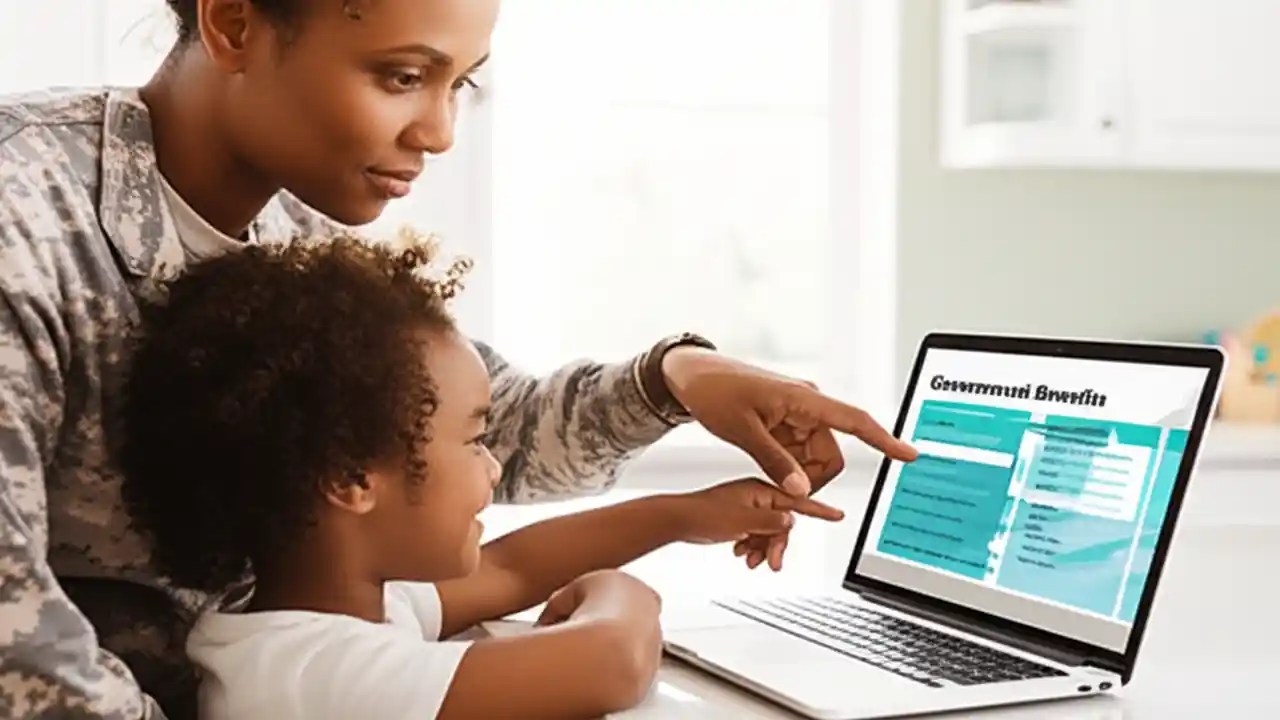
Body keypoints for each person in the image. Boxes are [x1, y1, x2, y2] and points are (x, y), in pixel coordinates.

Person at [0, 0, 916, 717]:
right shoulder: (21, 215)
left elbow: (459, 430)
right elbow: (14, 639)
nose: (437, 133)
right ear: (234, 23)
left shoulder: (300, 227)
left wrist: (674, 379)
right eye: (402, 76)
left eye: (461, 86)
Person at [118, 234, 846, 719]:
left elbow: (509, 565)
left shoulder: (319, 606)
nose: (494, 464)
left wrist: (681, 516)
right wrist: (618, 591)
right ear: (349, 476)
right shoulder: (313, 672)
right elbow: (612, 658)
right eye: (473, 439)